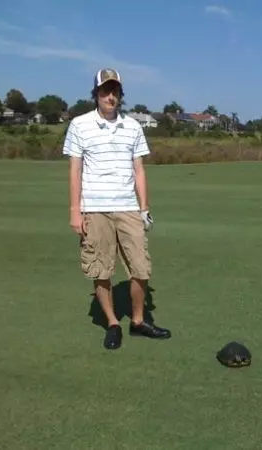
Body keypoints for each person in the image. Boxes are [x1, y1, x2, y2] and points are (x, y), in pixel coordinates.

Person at [62, 68, 171, 350]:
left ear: (121, 95)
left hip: (128, 208)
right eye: (105, 91)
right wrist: (76, 211)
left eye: (115, 92)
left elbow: (139, 170)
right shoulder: (79, 124)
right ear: (96, 94)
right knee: (101, 270)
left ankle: (137, 321)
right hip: (94, 208)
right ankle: (112, 323)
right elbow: (75, 170)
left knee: (141, 268)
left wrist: (144, 208)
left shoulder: (133, 126)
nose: (110, 97)